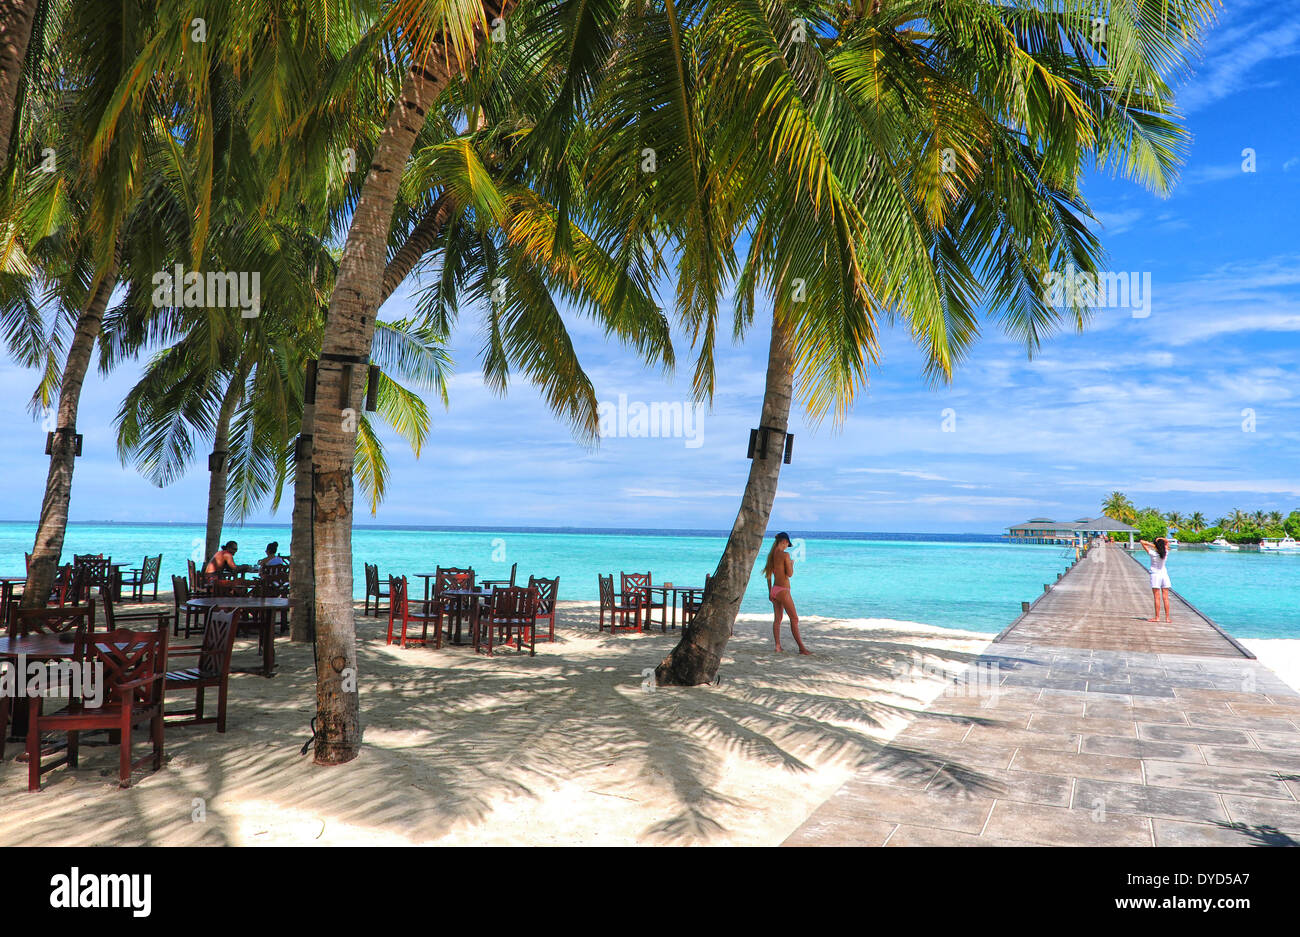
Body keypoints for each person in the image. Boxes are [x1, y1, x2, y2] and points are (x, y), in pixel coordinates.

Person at [763, 531, 810, 654]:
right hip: (783, 590)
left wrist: (769, 592)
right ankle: (801, 648)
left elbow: (768, 576)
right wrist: (791, 564)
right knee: (794, 618)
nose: (786, 546)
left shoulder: (771, 555)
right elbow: (789, 574)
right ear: (784, 542)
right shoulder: (785, 555)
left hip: (774, 590)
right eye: (786, 544)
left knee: (777, 619)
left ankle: (778, 646)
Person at [1138, 536, 1172, 622]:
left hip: (1155, 575)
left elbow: (1142, 541)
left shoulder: (1153, 554)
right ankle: (1167, 618)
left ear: (1156, 545)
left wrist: (1154, 545)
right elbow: (1167, 542)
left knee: (1157, 597)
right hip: (1164, 575)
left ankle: (1157, 617)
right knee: (1166, 597)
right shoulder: (1166, 552)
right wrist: (1160, 541)